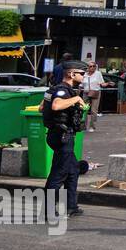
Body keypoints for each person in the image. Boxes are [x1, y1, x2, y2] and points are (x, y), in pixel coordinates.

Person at [42, 60, 90, 219]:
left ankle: (72, 206)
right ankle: (48, 211)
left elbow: (42, 107)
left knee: (73, 170)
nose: (84, 76)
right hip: (63, 136)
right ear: (71, 74)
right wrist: (76, 100)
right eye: (82, 73)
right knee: (58, 174)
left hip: (57, 135)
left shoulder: (54, 89)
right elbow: (55, 105)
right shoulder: (63, 90)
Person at [82, 61, 104, 132]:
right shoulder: (85, 74)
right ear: (88, 67)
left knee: (93, 111)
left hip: (95, 92)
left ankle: (92, 126)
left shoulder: (98, 73)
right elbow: (82, 84)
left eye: (94, 66)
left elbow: (102, 83)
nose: (92, 68)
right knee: (84, 109)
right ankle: (83, 126)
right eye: (90, 66)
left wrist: (107, 83)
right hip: (86, 93)